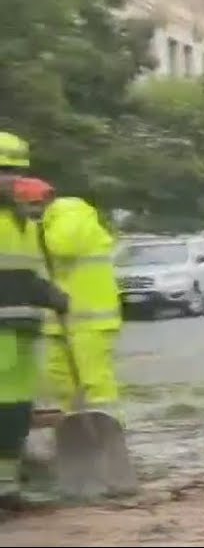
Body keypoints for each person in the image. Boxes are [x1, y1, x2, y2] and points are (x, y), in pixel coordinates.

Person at [0, 132, 68, 509]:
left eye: (18, 172)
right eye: (4, 171)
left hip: (20, 331)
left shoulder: (21, 221)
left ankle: (7, 490)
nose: (14, 180)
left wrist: (46, 293)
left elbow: (21, 271)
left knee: (13, 416)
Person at [36, 189, 123, 421]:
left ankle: (106, 431)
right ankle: (73, 429)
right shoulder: (48, 222)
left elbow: (63, 247)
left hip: (90, 319)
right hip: (59, 319)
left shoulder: (70, 214)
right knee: (60, 381)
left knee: (93, 382)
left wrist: (38, 228)